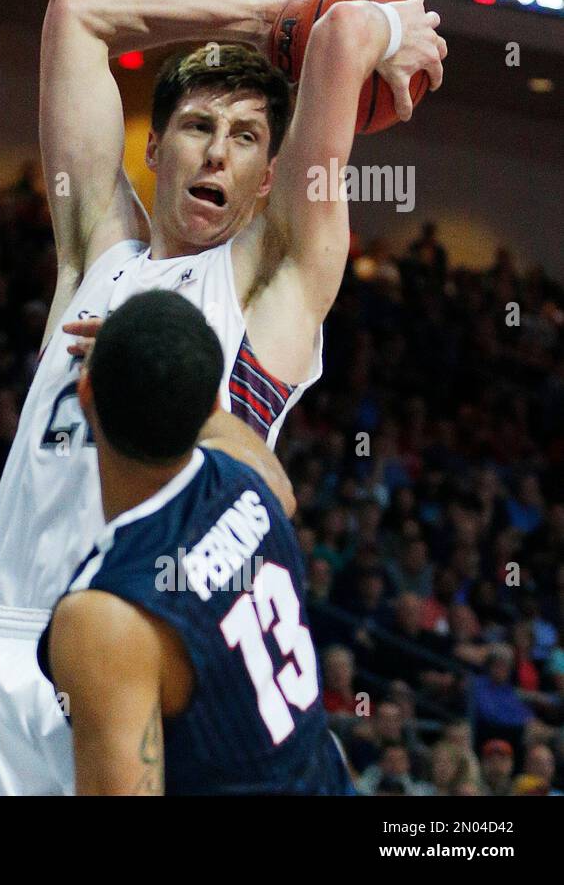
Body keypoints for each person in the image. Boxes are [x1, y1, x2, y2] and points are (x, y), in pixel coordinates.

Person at [0, 0, 445, 794]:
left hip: (124, 664)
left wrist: (388, 28)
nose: (218, 150)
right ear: (152, 147)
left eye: (247, 137)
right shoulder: (95, 258)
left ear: (266, 177)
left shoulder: (269, 286)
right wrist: (257, 14)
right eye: (198, 126)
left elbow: (345, 27)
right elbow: (75, 12)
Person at [37, 291, 351, 794]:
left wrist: (133, 358)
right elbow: (281, 486)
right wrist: (162, 361)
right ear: (208, 404)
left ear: (85, 393)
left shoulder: (103, 617)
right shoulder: (248, 478)